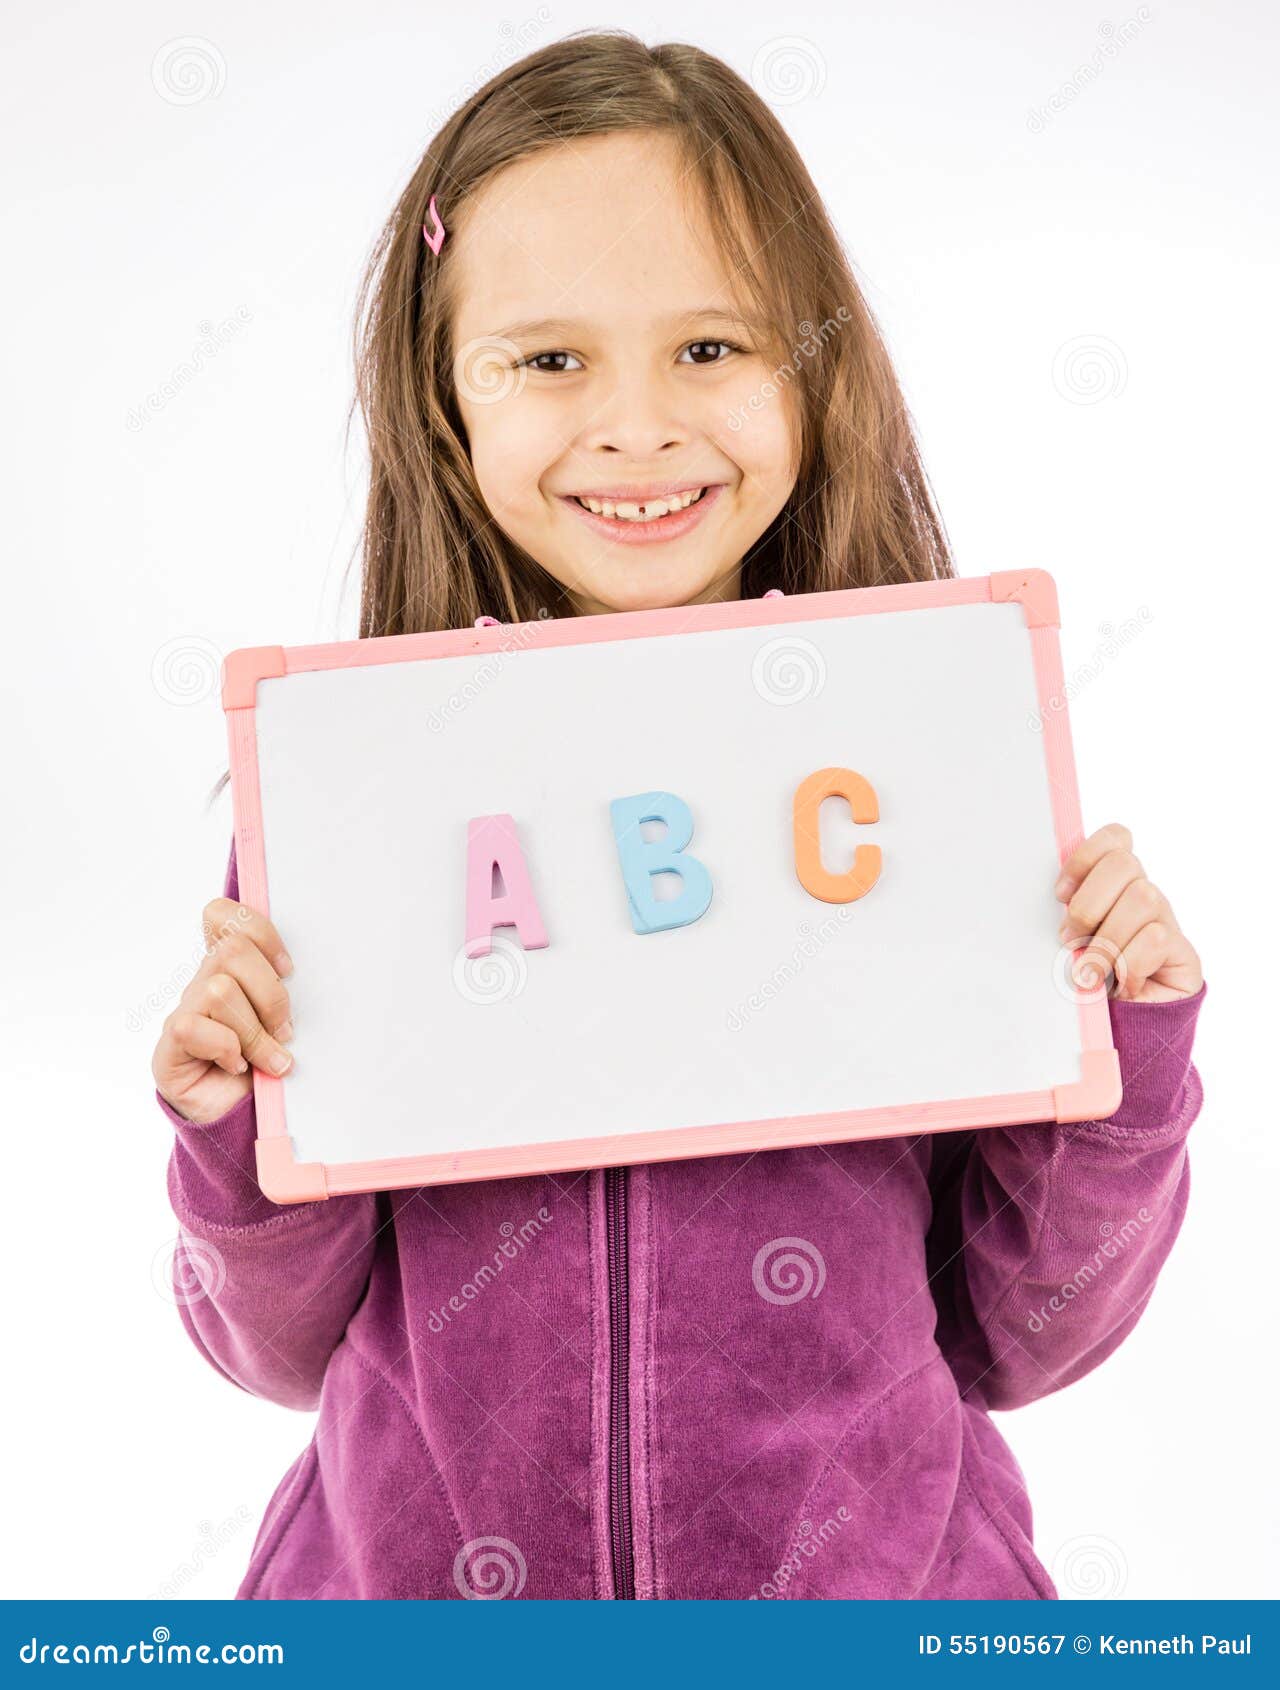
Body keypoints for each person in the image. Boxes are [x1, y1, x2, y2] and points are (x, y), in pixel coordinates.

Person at [153, 32, 1205, 1600]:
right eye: (549, 360)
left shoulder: (931, 751)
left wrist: (1120, 1075)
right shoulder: (354, 796)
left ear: (813, 367)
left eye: (709, 347)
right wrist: (239, 1130)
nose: (637, 426)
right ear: (444, 399)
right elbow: (273, 1349)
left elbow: (1025, 1335)